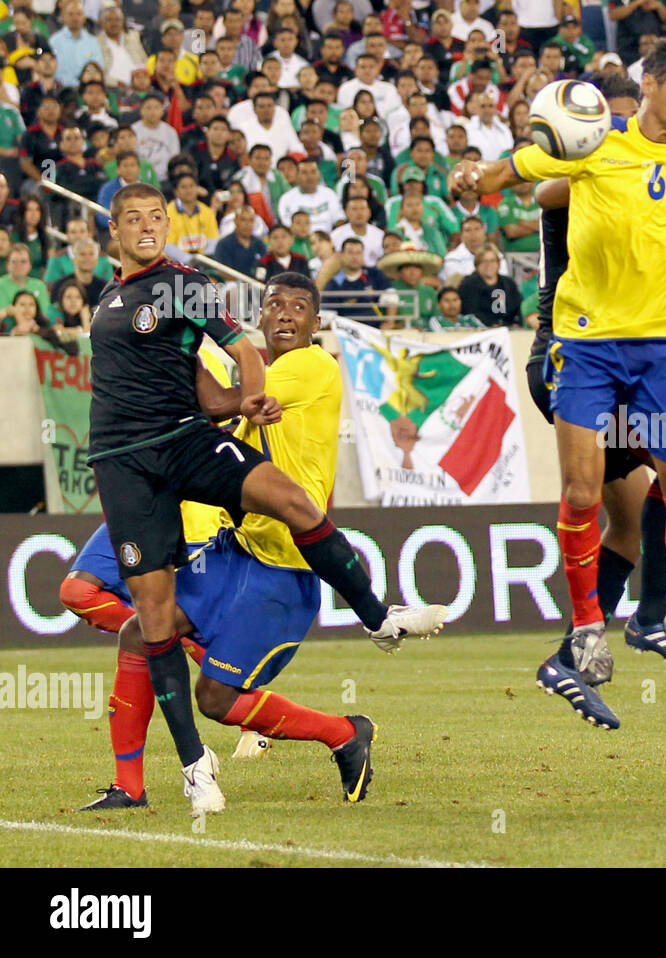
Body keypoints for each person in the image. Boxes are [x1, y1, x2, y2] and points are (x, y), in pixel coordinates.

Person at [88, 184, 449, 816]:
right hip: (230, 542)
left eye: (298, 308)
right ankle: (138, 784)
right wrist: (201, 374)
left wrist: (225, 379)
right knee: (138, 632)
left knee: (217, 699)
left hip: (281, 568)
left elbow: (235, 376)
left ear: (316, 324)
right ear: (114, 229)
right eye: (274, 304)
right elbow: (212, 393)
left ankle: (357, 685)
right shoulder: (115, 299)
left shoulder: (309, 364)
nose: (284, 315)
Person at [449, 38, 666, 723]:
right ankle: (590, 629)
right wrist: (473, 176)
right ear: (648, 86)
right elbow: (514, 176)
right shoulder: (593, 147)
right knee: (582, 490)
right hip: (585, 346)